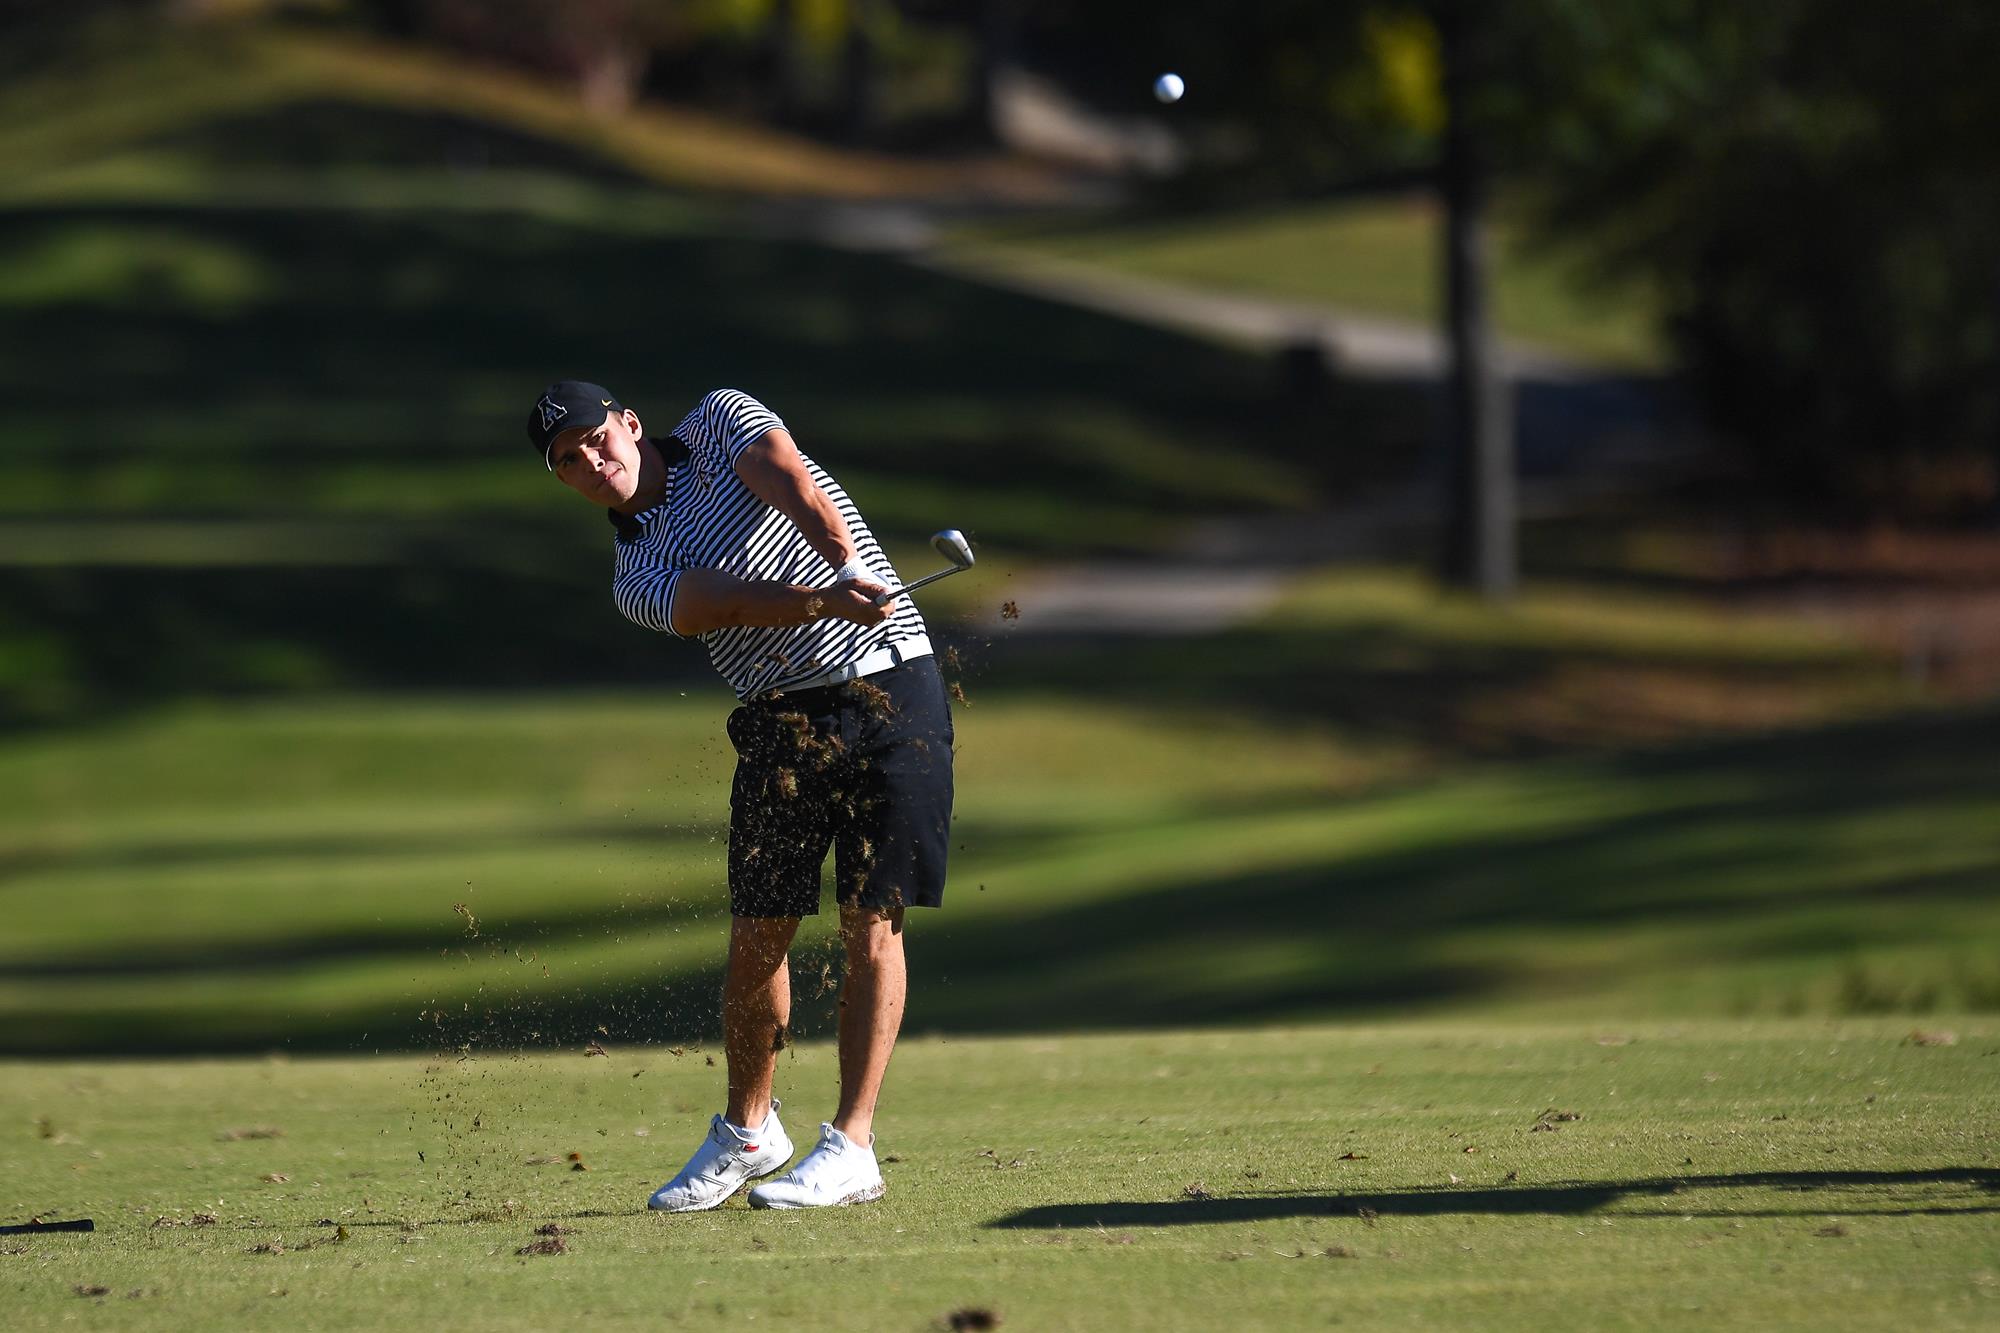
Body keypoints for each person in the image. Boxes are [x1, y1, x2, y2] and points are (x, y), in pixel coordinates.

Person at [525, 379, 955, 1211]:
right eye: (569, 461)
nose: (593, 462)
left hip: (893, 689)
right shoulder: (634, 572)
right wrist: (822, 601)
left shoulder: (720, 417)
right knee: (759, 931)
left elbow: (785, 474)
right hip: (779, 715)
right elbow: (715, 603)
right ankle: (751, 1132)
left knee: (871, 920)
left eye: (595, 438)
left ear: (629, 423)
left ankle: (852, 1146)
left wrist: (843, 562)